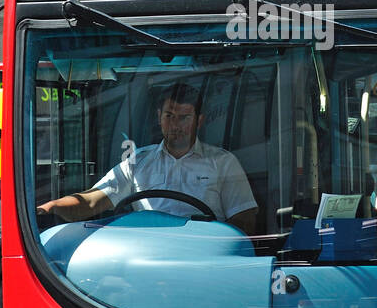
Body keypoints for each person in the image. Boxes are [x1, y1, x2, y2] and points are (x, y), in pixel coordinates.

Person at [38, 82, 258, 233]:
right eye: (169, 116)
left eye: (184, 118)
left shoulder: (222, 162)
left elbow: (244, 219)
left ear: (199, 121)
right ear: (158, 117)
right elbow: (92, 200)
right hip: (144, 258)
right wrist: (50, 208)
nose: (175, 125)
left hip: (203, 257)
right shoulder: (138, 162)